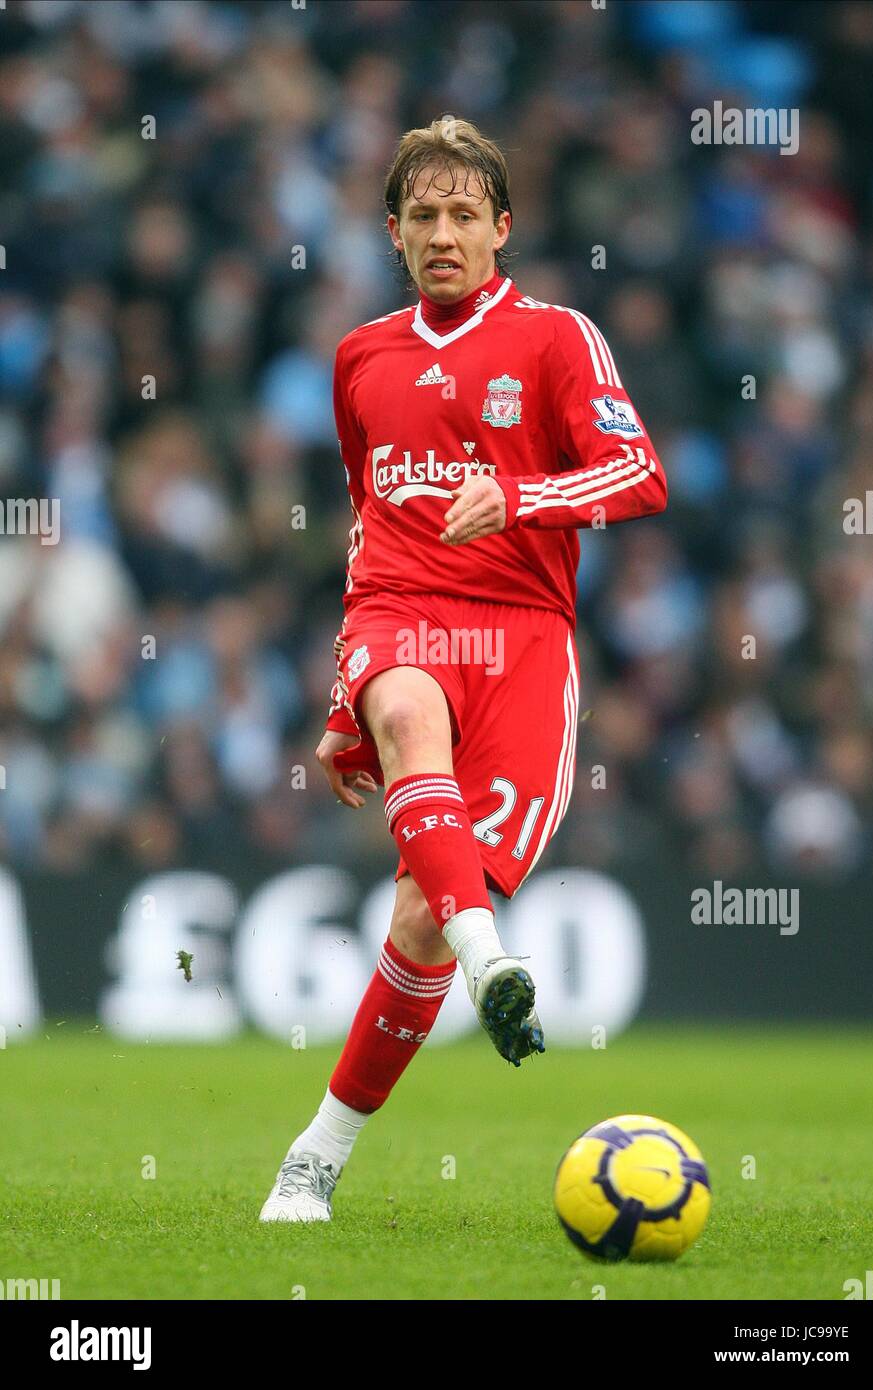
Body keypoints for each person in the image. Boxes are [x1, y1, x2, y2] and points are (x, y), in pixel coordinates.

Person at [261, 116, 667, 1222]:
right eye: (421, 217)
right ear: (393, 233)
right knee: (401, 714)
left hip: (523, 636)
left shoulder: (555, 339)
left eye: (462, 215)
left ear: (502, 226)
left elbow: (638, 472)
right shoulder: (359, 357)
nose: (443, 234)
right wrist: (345, 698)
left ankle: (318, 1151)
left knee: (413, 923)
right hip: (401, 607)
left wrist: (524, 493)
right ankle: (492, 964)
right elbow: (366, 516)